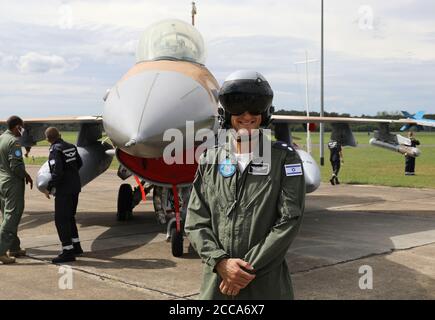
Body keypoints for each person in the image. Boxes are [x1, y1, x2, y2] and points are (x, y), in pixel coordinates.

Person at [185, 70, 305, 300]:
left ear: (266, 112)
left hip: (264, 285)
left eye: (255, 107)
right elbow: (195, 220)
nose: (247, 115)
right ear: (225, 113)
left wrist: (243, 271)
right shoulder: (210, 160)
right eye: (237, 108)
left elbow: (289, 221)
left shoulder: (284, 160)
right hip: (217, 286)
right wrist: (220, 262)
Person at [44, 127, 83, 263]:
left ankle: (67, 251)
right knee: (70, 217)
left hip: (64, 190)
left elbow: (57, 172)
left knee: (61, 220)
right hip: (75, 187)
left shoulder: (55, 150)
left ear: (48, 139)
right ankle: (76, 246)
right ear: (59, 135)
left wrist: (49, 187)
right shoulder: (71, 147)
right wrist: (71, 175)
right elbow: (79, 163)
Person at [0, 116, 33, 264]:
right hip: (12, 183)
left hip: (2, 181)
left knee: (7, 215)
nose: (23, 130)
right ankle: (1, 251)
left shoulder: (1, 138)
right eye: (22, 127)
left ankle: (14, 247)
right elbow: (16, 167)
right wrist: (26, 175)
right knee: (12, 216)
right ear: (18, 127)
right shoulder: (14, 142)